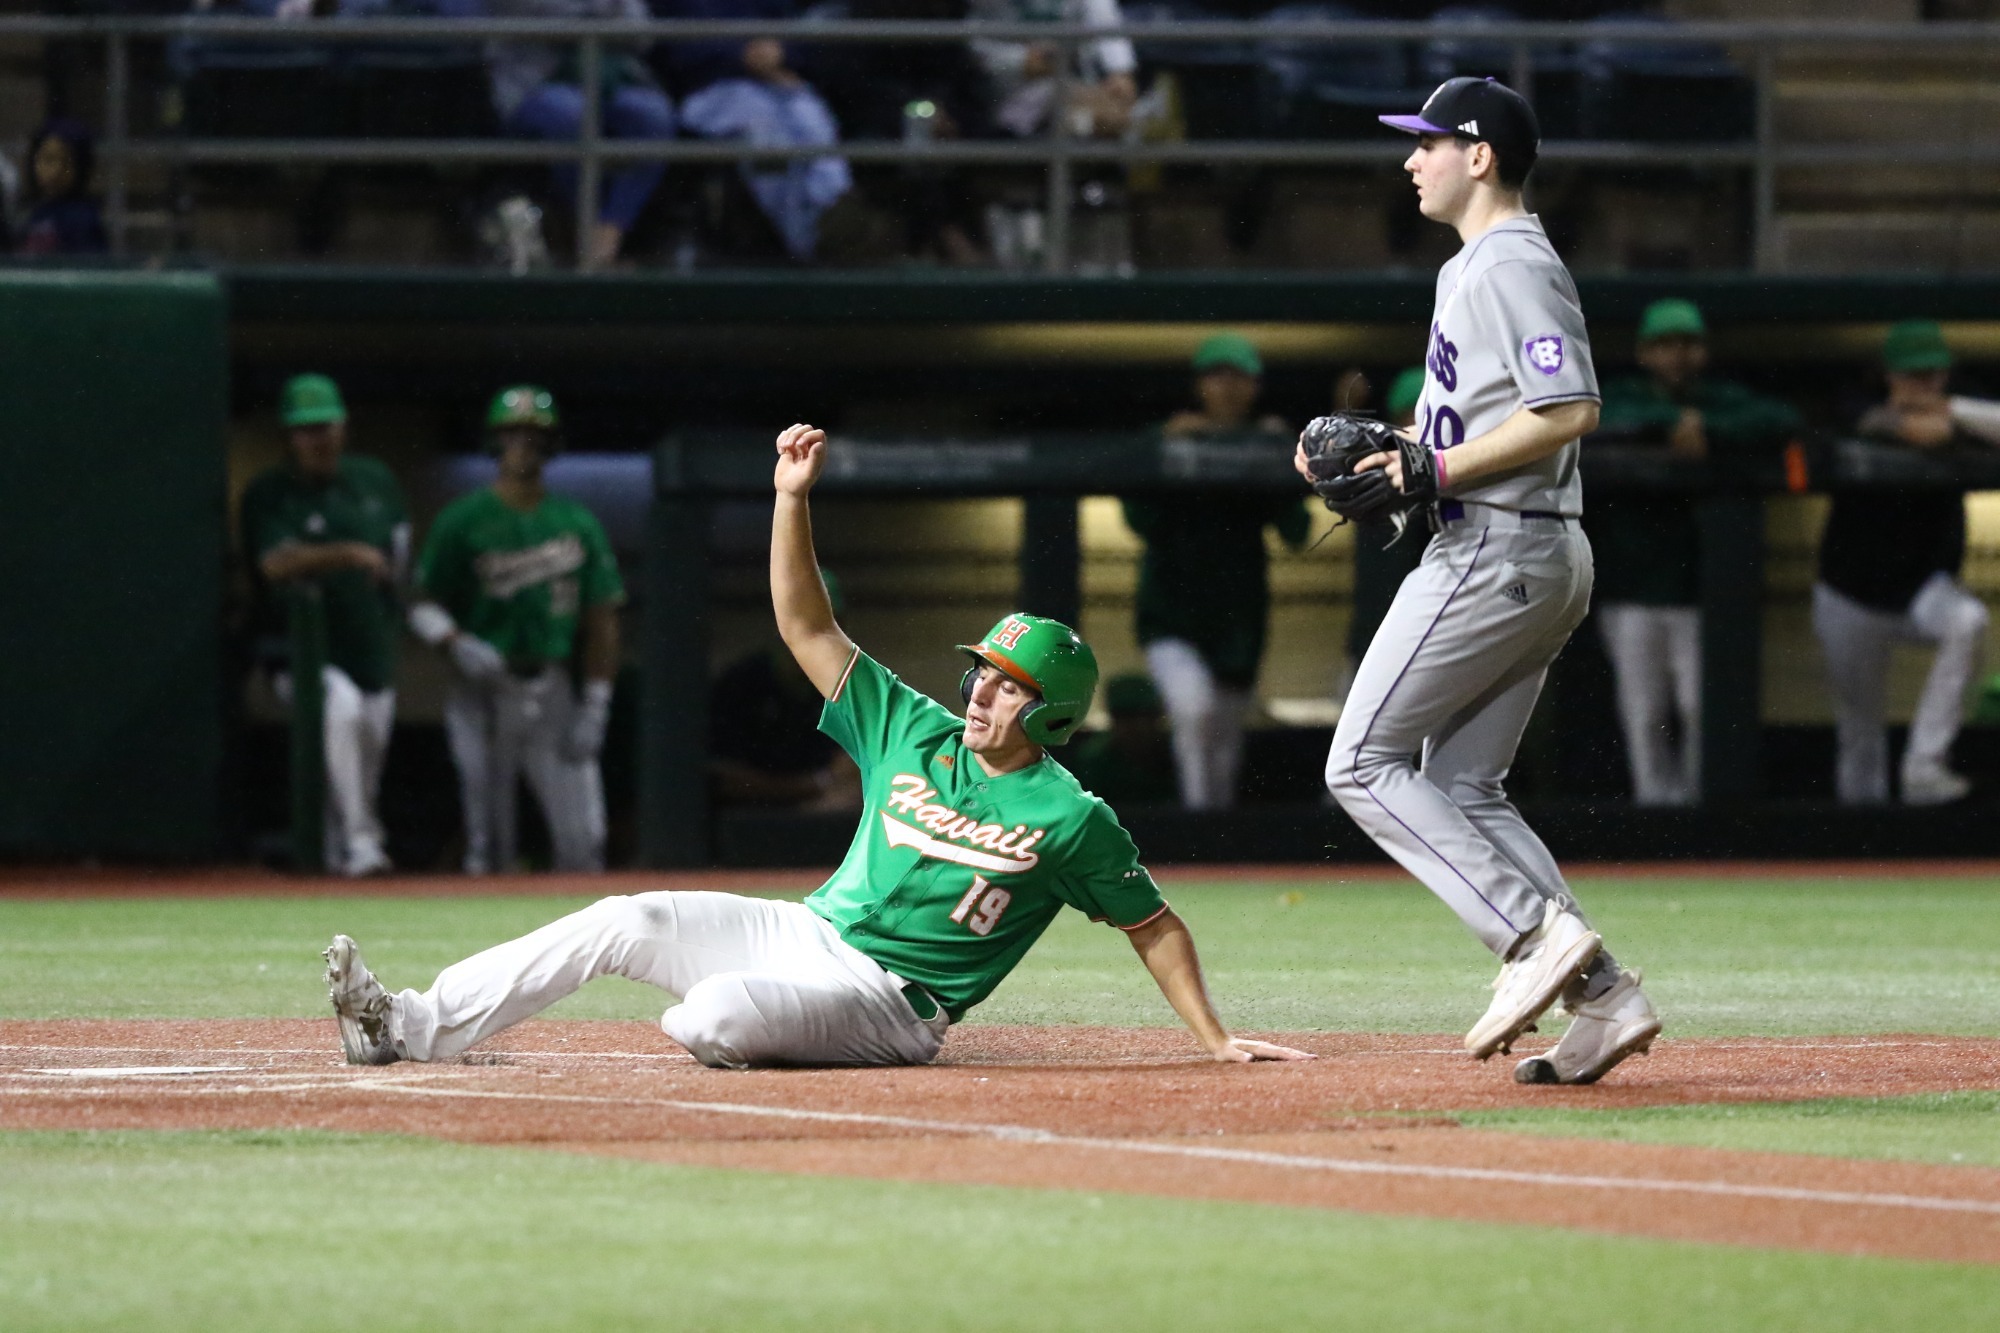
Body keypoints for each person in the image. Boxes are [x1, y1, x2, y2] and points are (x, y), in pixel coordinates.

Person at [323, 422, 1314, 1072]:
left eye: (1009, 686)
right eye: (982, 672)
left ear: (1051, 716)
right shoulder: (913, 726)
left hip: (892, 1003)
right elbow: (806, 628)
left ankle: (724, 1026)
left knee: (707, 1017)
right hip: (805, 933)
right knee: (622, 917)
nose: (980, 692)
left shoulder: (1070, 817)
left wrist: (1215, 1039)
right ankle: (409, 1025)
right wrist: (790, 498)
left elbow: (1153, 924)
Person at [1306, 77, 1660, 1087]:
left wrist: (1436, 469)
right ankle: (1604, 999)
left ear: (1478, 156)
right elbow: (1452, 427)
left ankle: (1524, 938)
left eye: (1424, 141)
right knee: (1464, 783)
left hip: (1496, 548)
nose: (1407, 159)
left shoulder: (1510, 263)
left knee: (1359, 761)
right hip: (1521, 548)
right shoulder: (1471, 267)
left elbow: (1568, 407)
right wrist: (1385, 450)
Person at [1590, 298, 1802, 807]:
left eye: (1687, 345)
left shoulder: (1719, 400)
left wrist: (1708, 427)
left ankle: (1695, 821)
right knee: (1644, 714)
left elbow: (1781, 418)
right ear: (1645, 353)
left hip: (1696, 591)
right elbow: (1597, 417)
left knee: (1698, 708)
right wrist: (1668, 425)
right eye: (1665, 346)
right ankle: (1655, 814)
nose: (1677, 357)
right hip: (1631, 588)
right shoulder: (1622, 396)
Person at [407, 385, 624, 873]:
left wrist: (596, 703)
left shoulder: (575, 521)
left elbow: (602, 618)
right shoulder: (464, 519)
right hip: (482, 684)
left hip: (552, 684)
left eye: (534, 434)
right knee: (488, 838)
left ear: (551, 444)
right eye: (512, 434)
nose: (523, 445)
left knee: (583, 838)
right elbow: (418, 600)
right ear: (495, 441)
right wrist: (452, 640)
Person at [1813, 320, 2000, 806]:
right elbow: (1868, 422)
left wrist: (1954, 410)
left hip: (1923, 584)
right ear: (1886, 375)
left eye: (1934, 375)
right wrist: (1909, 423)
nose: (1924, 385)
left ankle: (1924, 767)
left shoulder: (1960, 399)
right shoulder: (1851, 400)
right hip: (1850, 591)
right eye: (1912, 376)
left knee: (1968, 620)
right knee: (1860, 736)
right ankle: (1861, 856)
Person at [1123, 332, 1309, 810]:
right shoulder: (1171, 438)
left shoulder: (1267, 443)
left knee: (1226, 742)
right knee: (1194, 710)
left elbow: (1297, 529)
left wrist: (1282, 455)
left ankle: (1217, 846)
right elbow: (1136, 518)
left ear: (1254, 386)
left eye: (1239, 376)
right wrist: (1164, 450)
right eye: (1216, 375)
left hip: (1238, 623)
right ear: (1200, 385)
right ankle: (1197, 835)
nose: (1227, 387)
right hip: (1171, 615)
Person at [238, 374, 410, 877]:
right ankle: (361, 844)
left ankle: (341, 850)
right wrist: (349, 554)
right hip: (300, 654)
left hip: (370, 645)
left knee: (365, 750)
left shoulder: (374, 481)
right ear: (289, 437)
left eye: (326, 426)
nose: (318, 439)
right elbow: (273, 564)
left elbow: (400, 555)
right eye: (306, 429)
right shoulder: (271, 492)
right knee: (341, 710)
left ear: (343, 427)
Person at [483, 0, 678, 265]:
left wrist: (590, 25)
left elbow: (642, 33)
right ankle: (588, 231)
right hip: (532, 81)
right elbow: (533, 21)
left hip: (608, 76)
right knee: (570, 114)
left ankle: (610, 230)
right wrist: (594, 21)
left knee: (653, 115)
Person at [709, 568, 863, 809]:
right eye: (807, 622)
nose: (818, 637)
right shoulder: (741, 684)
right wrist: (815, 785)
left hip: (822, 827)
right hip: (745, 828)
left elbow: (855, 777)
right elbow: (723, 779)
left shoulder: (849, 690)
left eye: (829, 625)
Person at [1338, 366, 1429, 708]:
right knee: (1355, 752)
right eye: (1411, 416)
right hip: (1371, 643)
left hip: (1433, 643)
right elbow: (1341, 461)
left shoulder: (1460, 473)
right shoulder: (1375, 469)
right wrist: (1346, 410)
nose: (1419, 428)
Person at [968, 0, 1138, 139]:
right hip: (1005, 85)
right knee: (1085, 115)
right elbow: (971, 40)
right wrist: (1020, 60)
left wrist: (1119, 71)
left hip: (1070, 79)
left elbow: (1103, 18)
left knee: (1109, 114)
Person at [1062, 673, 1178, 804]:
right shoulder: (1096, 760)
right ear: (1114, 719)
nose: (1138, 727)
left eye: (1145, 716)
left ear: (1157, 717)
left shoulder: (1178, 754)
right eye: (1126, 718)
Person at [13, 118, 108, 256]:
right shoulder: (32, 213)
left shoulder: (82, 219)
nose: (56, 171)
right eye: (48, 159)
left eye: (67, 162)